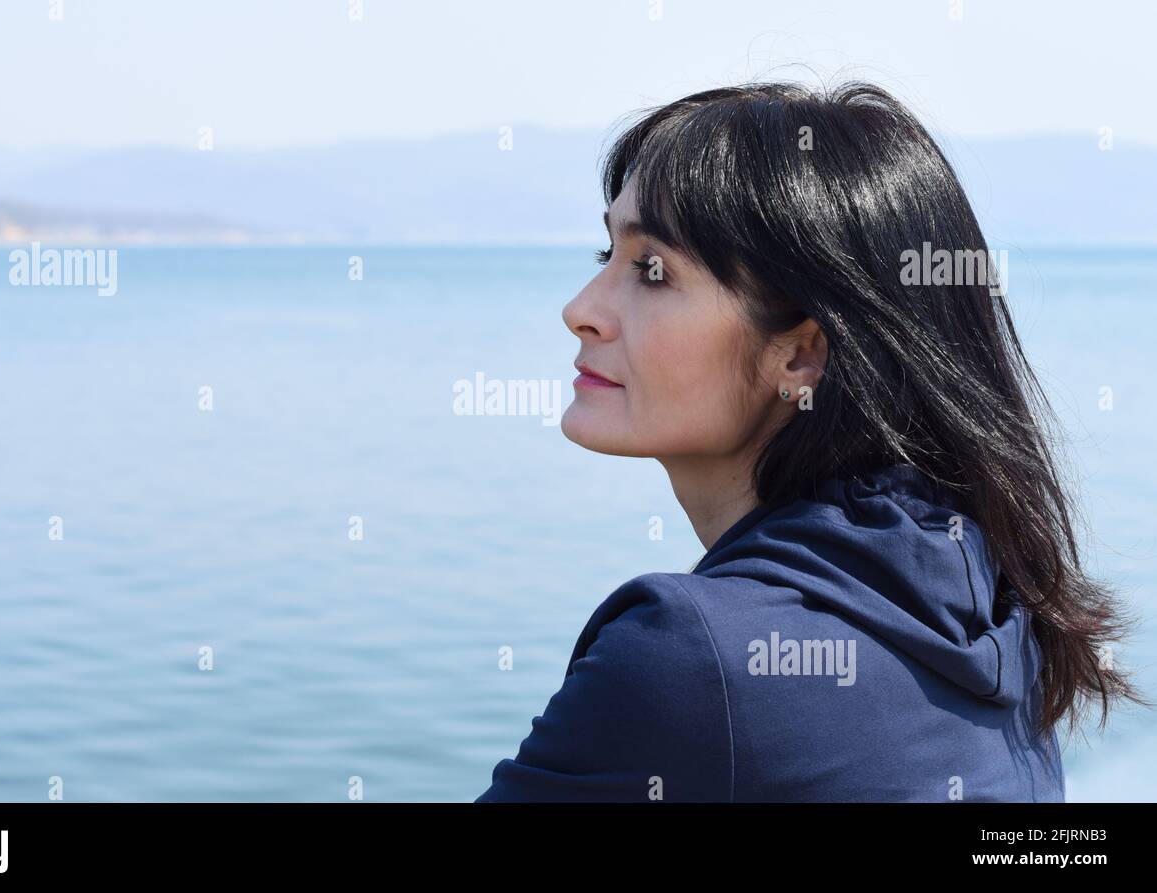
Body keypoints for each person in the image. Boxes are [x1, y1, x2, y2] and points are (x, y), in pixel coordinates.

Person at [474, 81, 1146, 802]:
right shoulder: (996, 613)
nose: (581, 310)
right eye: (606, 252)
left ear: (800, 355)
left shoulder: (688, 661)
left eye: (652, 270)